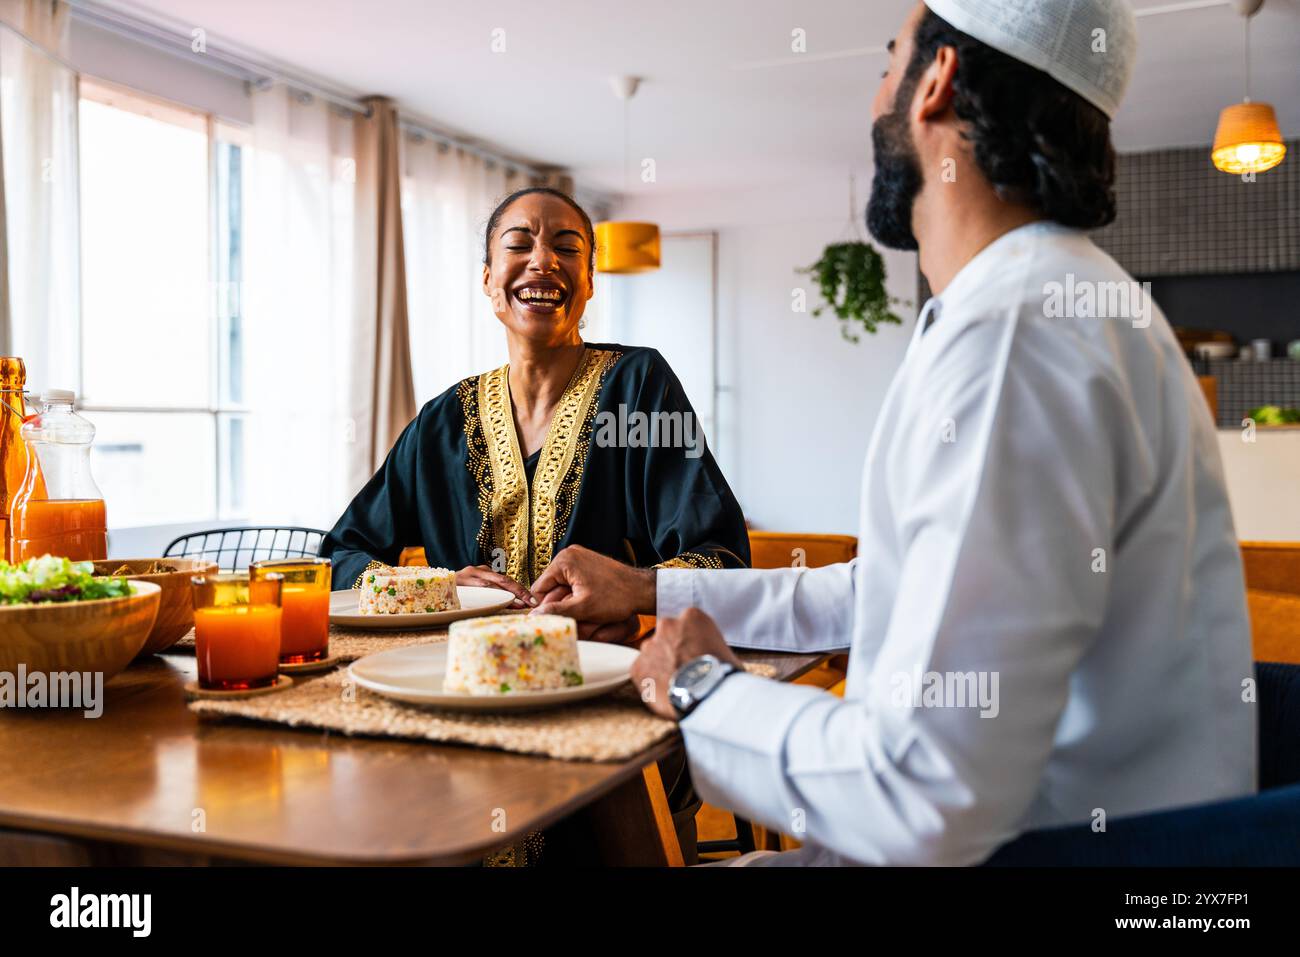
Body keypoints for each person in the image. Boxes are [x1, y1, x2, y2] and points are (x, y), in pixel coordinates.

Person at [528, 0, 1255, 865]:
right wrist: (654, 591)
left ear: (936, 83)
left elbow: (922, 794)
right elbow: (885, 590)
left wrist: (699, 688)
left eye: (887, 62)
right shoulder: (1041, 306)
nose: (875, 99)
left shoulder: (1015, 343)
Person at [320, 186, 749, 863]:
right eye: (518, 244)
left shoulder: (640, 387)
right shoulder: (442, 421)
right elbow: (341, 554)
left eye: (567, 247)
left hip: (606, 712)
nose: (541, 260)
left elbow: (723, 557)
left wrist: (635, 588)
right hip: (460, 707)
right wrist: (435, 586)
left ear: (589, 281)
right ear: (489, 280)